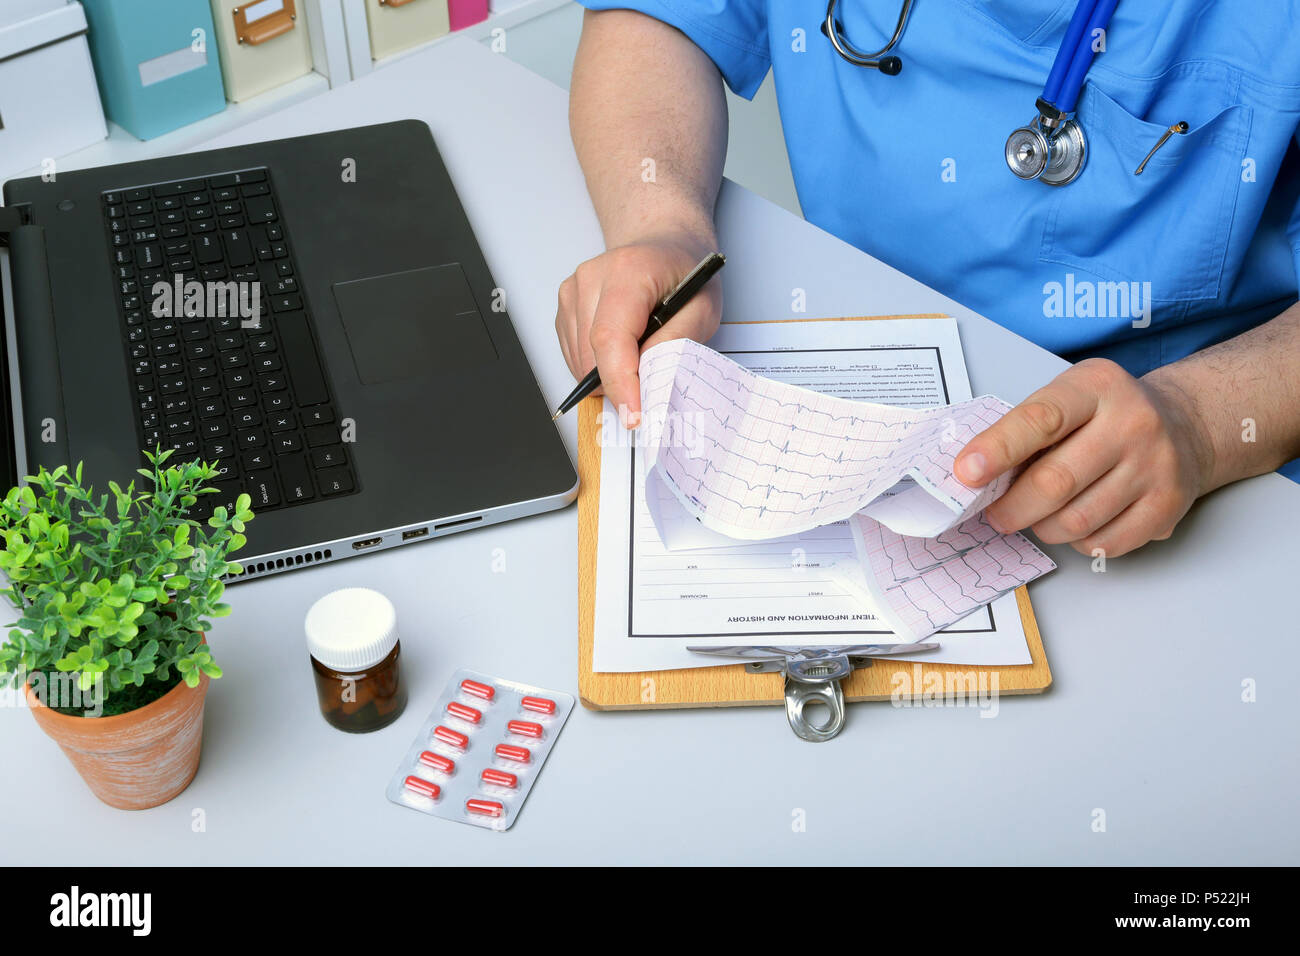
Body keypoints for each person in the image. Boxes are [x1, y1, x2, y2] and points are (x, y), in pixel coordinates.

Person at [552, 1, 1300, 558]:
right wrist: (661, 222)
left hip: (1187, 456)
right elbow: (657, 17)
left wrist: (1201, 423)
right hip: (852, 381)